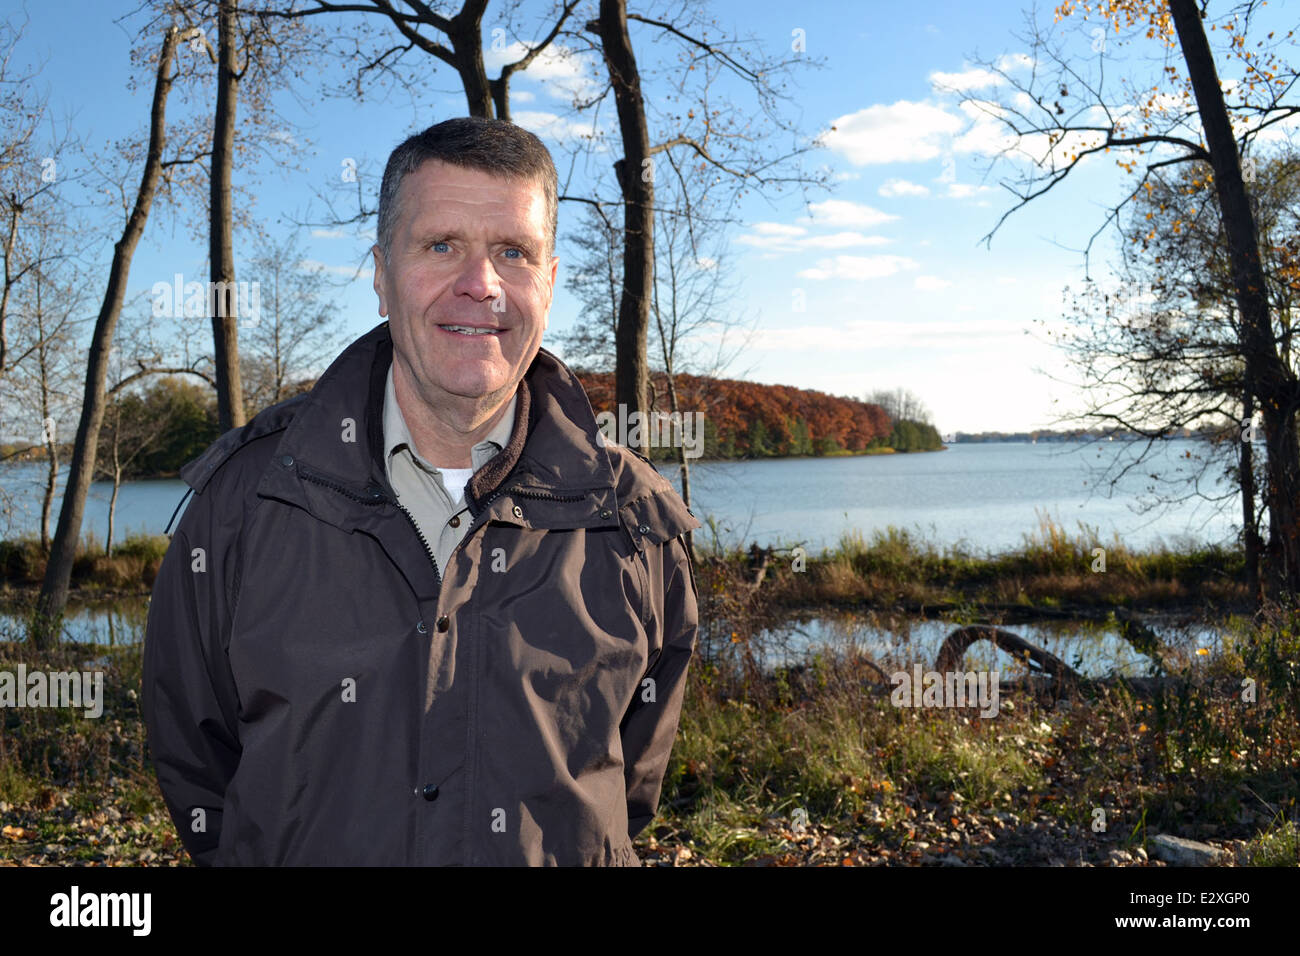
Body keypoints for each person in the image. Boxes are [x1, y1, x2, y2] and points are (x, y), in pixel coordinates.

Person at [141, 116, 701, 866]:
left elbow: (627, 790)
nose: (481, 285)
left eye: (513, 252)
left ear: (551, 281)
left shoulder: (633, 521)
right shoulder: (246, 503)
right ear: (380, 274)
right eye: (441, 246)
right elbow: (194, 756)